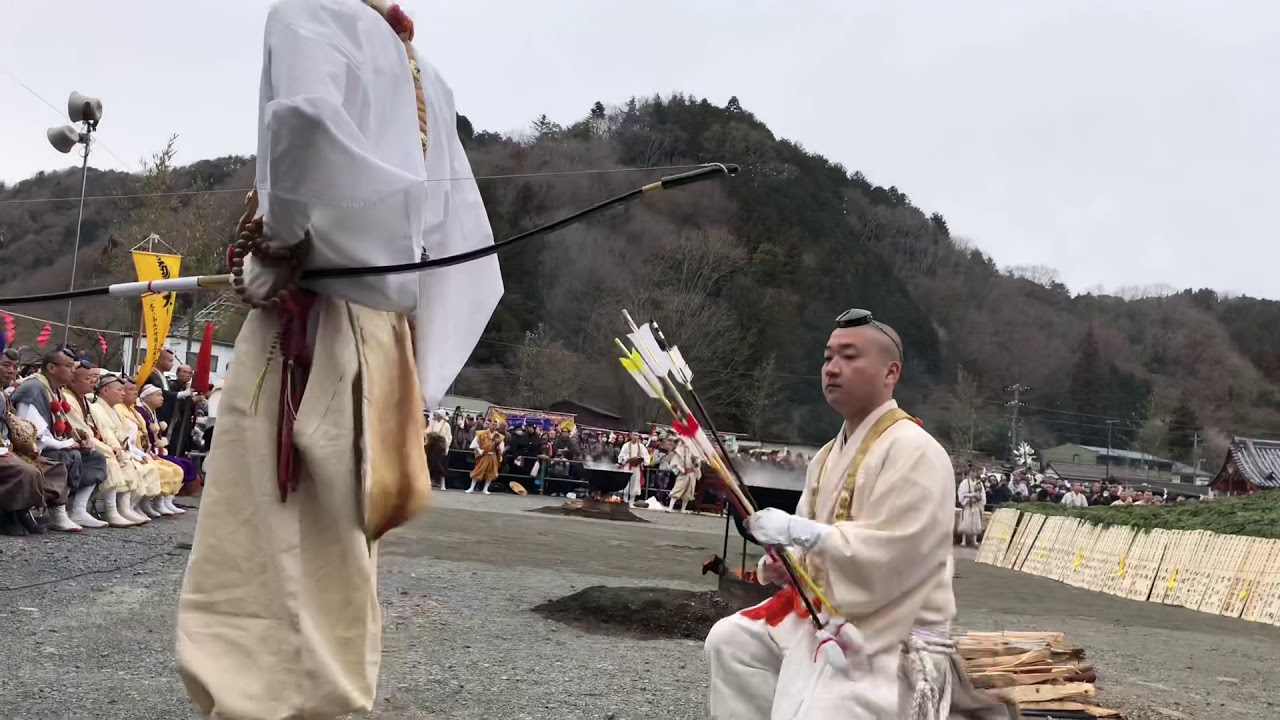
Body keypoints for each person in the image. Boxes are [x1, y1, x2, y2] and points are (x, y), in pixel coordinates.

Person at [176, 2, 501, 717]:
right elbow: (461, 241)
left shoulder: (310, 12)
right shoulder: (425, 74)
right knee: (337, 568)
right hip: (384, 337)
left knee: (261, 554)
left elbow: (301, 125)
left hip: (309, 322)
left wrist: (280, 245)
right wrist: (418, 359)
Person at [703, 309, 1014, 720]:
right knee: (731, 641)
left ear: (890, 373)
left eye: (849, 357)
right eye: (828, 357)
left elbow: (896, 559)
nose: (832, 369)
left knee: (815, 711)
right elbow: (813, 551)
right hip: (828, 617)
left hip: (892, 636)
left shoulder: (917, 451)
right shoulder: (827, 457)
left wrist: (802, 533)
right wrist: (787, 565)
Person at [11, 350, 108, 532]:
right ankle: (58, 513)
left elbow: (61, 427)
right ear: (52, 368)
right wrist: (66, 444)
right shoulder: (33, 388)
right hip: (30, 449)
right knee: (68, 456)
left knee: (95, 458)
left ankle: (78, 510)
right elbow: (32, 433)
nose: (73, 370)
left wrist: (78, 439)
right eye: (69, 366)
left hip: (52, 445)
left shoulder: (55, 390)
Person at [468, 419, 503, 494]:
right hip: (484, 454)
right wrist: (479, 450)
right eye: (493, 424)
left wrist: (499, 448)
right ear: (489, 424)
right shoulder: (481, 433)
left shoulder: (499, 436)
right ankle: (471, 487)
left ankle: (485, 489)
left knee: (491, 472)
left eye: (495, 425)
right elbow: (475, 443)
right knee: (478, 470)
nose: (494, 426)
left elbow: (501, 447)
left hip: (493, 455)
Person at [667, 437, 701, 513]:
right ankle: (670, 507)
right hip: (683, 473)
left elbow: (697, 462)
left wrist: (696, 464)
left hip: (691, 473)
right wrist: (680, 468)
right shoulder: (679, 451)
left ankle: (683, 509)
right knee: (678, 488)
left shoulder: (694, 451)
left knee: (689, 491)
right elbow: (675, 462)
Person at [617, 431, 649, 507]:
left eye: (637, 435)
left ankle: (632, 500)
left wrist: (641, 461)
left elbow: (646, 458)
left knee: (634, 484)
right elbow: (621, 457)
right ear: (631, 435)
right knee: (626, 483)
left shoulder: (641, 446)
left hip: (636, 467)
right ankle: (625, 499)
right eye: (634, 435)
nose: (635, 437)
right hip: (627, 466)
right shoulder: (626, 445)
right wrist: (626, 459)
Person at [956, 470, 986, 547]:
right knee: (966, 521)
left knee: (975, 522)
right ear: (969, 473)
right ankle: (963, 540)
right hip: (968, 504)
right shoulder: (965, 483)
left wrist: (979, 499)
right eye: (972, 472)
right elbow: (961, 493)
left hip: (975, 504)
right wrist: (971, 495)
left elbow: (982, 494)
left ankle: (975, 540)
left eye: (975, 472)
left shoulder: (979, 483)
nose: (973, 473)